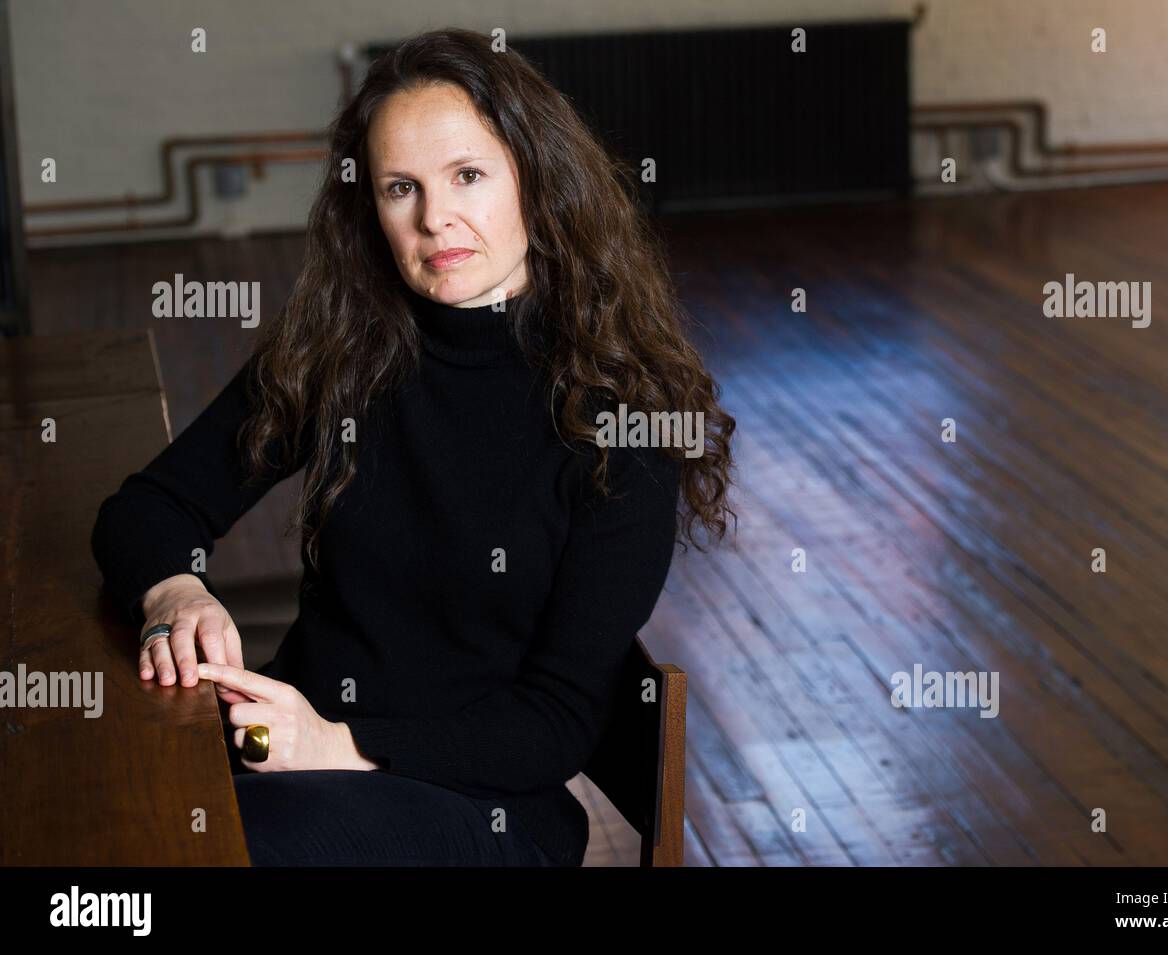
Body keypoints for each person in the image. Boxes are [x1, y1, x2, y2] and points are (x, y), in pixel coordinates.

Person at [90, 27, 736, 867]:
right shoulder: (343, 352)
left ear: (538, 181)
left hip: (476, 808)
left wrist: (334, 742)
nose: (436, 219)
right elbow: (153, 506)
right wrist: (176, 594)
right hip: (288, 756)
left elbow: (551, 728)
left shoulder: (623, 424)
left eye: (468, 175)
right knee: (104, 818)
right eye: (402, 188)